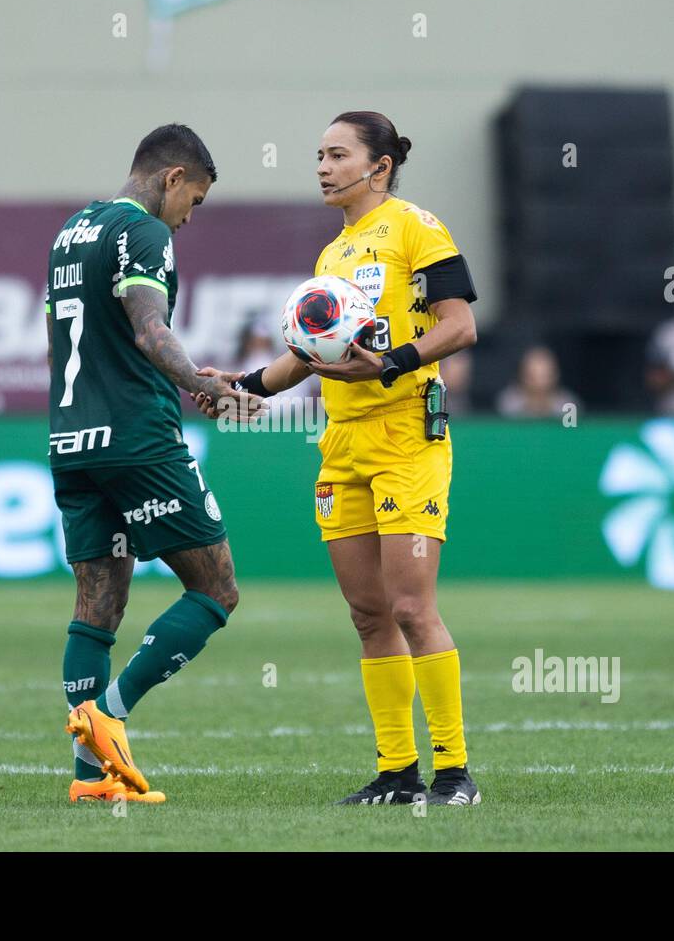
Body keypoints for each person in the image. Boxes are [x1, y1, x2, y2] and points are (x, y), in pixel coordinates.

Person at [197, 111, 481, 806]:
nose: (323, 167)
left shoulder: (418, 227)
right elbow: (307, 357)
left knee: (413, 607)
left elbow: (460, 325)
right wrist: (241, 388)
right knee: (368, 614)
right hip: (342, 442)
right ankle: (396, 774)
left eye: (337, 155)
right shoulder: (332, 256)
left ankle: (455, 774)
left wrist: (389, 364)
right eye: (318, 155)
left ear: (378, 167)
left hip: (408, 434)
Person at [47, 124, 260, 804]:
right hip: (136, 439)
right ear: (171, 178)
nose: (189, 218)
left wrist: (183, 376)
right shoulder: (143, 233)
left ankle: (93, 780)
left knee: (96, 607)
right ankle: (110, 710)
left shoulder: (72, 231)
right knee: (216, 589)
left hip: (71, 441)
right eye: (192, 201)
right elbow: (148, 327)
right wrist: (202, 385)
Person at [496, 345, 580, 418]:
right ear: (522, 375)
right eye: (533, 376)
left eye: (545, 376)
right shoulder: (508, 403)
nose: (540, 383)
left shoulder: (568, 405)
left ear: (556, 375)